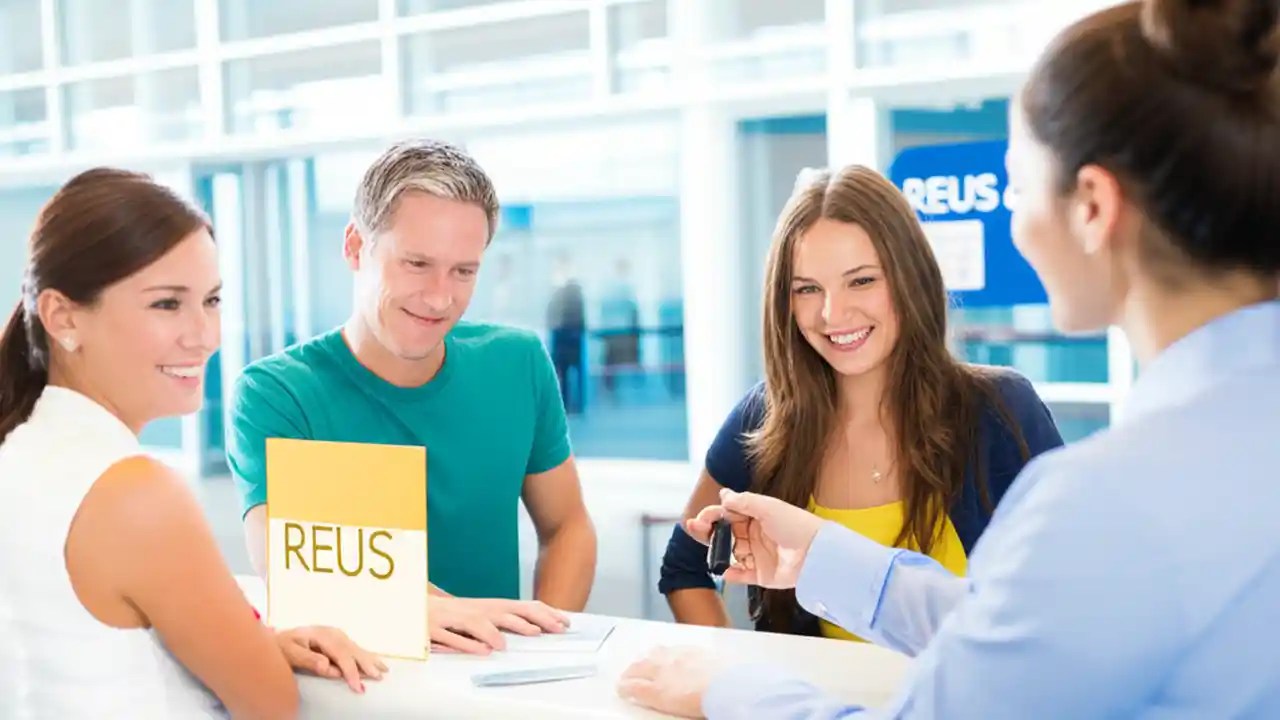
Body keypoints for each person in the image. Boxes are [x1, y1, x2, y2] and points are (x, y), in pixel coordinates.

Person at [620, 0, 1280, 716]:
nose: (1019, 229)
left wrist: (729, 690)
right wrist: (824, 555)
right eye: (808, 289)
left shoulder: (1103, 503)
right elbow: (1022, 636)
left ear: (1092, 205)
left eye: (1019, 187)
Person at [0, 168, 384, 719]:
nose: (203, 335)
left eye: (212, 300)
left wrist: (251, 644)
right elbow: (270, 704)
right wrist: (259, 655)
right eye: (166, 304)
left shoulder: (19, 453)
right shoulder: (132, 492)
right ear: (63, 317)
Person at [660, 165, 1062, 639]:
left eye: (862, 281)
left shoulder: (1000, 411)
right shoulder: (762, 419)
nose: (833, 313)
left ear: (909, 279)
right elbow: (685, 568)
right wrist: (734, 678)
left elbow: (1068, 595)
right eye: (807, 289)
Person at [227, 139, 597, 656]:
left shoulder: (518, 362)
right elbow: (294, 572)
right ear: (356, 247)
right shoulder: (278, 392)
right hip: (360, 689)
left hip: (493, 683)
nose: (441, 297)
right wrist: (444, 612)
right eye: (417, 263)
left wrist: (541, 640)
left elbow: (567, 526)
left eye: (464, 271)